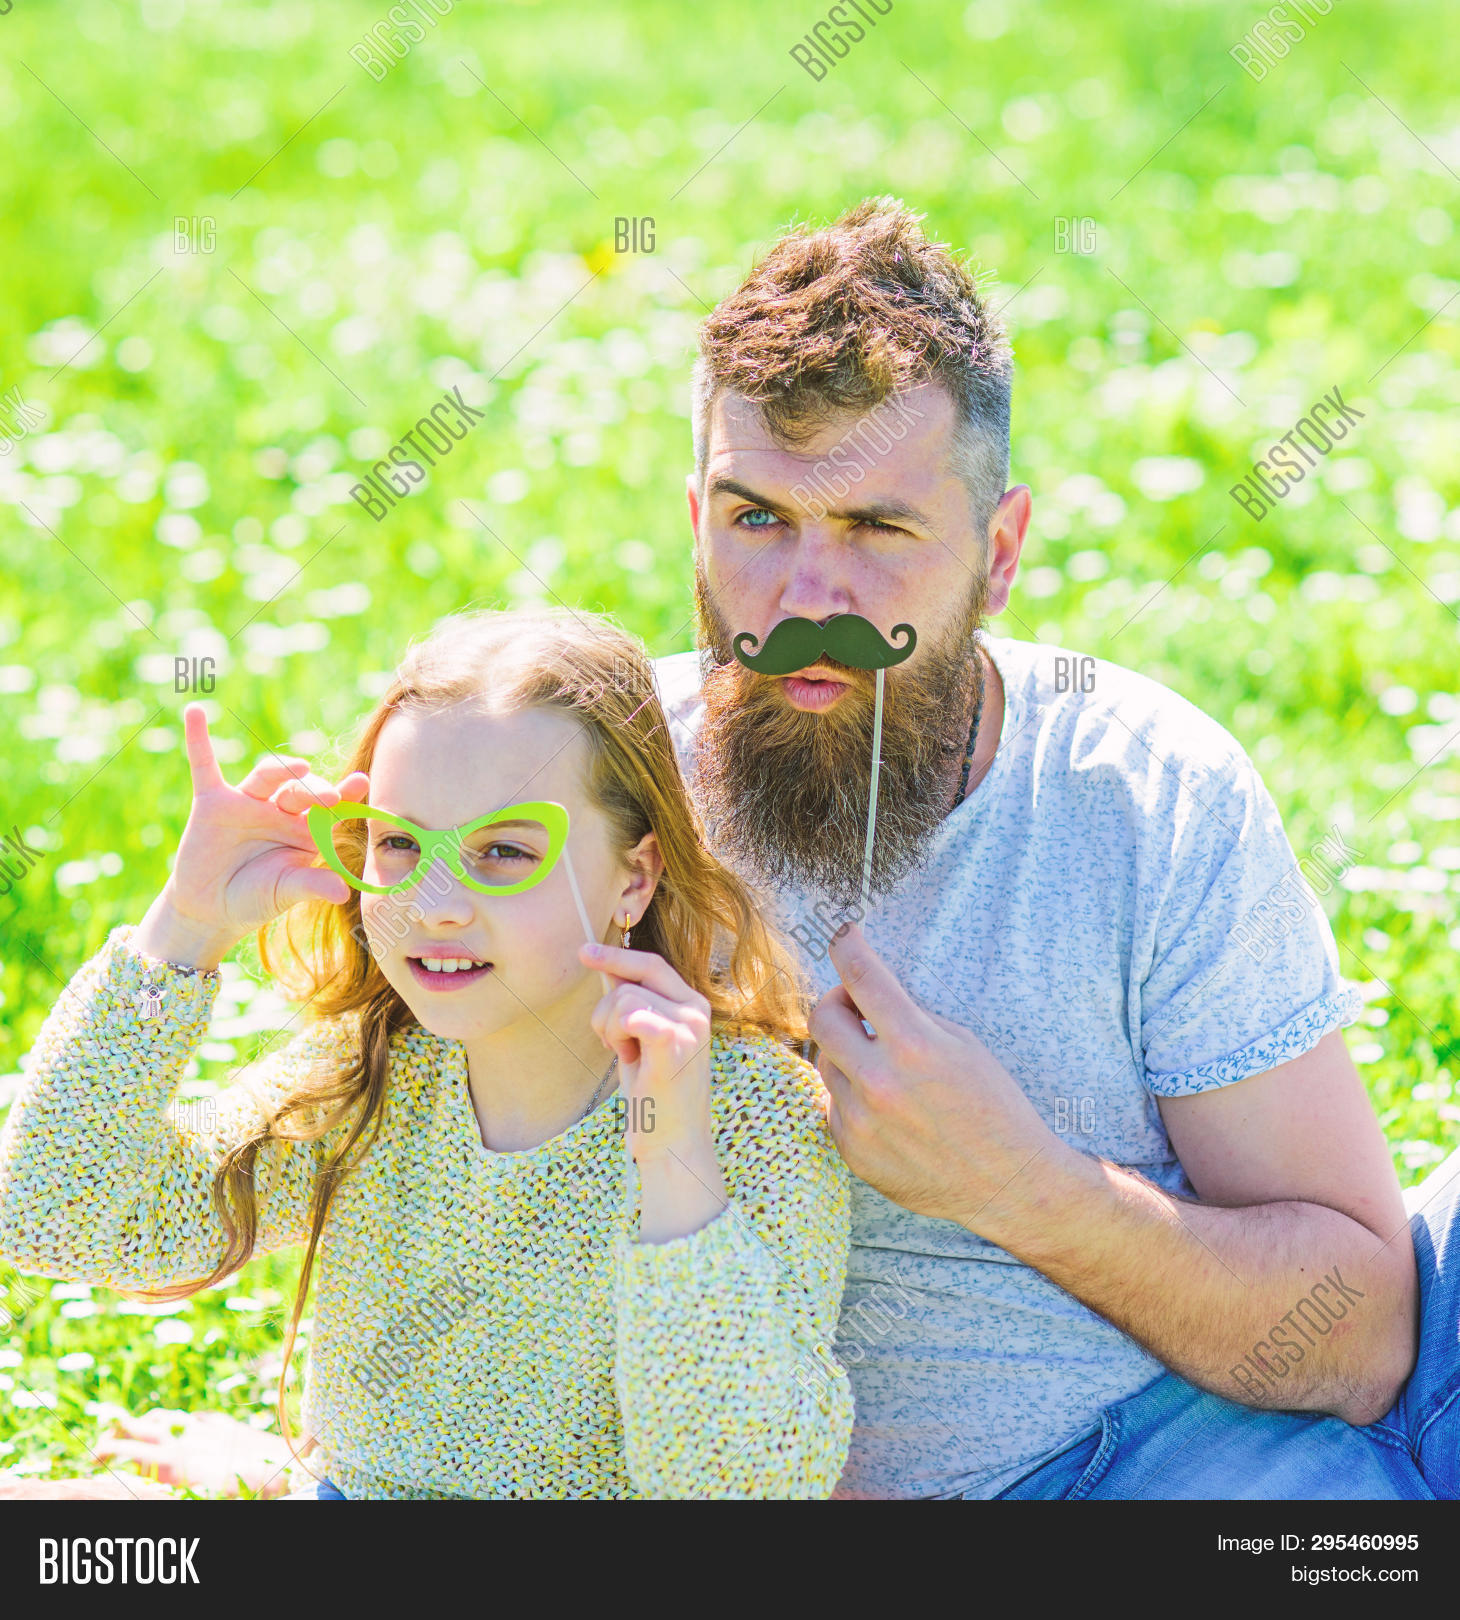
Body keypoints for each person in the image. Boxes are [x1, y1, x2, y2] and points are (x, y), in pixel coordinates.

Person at [652, 196, 1460, 1499]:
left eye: (877, 531)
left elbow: (1364, 1335)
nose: (809, 602)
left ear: (1003, 551)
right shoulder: (590, 792)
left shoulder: (1144, 794)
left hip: (1157, 1436)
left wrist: (1021, 1184)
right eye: (758, 522)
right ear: (695, 519)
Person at [0, 607, 852, 1499]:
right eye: (402, 843)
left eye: (504, 852)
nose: (436, 903)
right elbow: (62, 1215)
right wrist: (188, 922)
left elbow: (744, 1491)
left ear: (634, 876)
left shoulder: (752, 1114)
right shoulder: (373, 1074)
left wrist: (672, 1155)